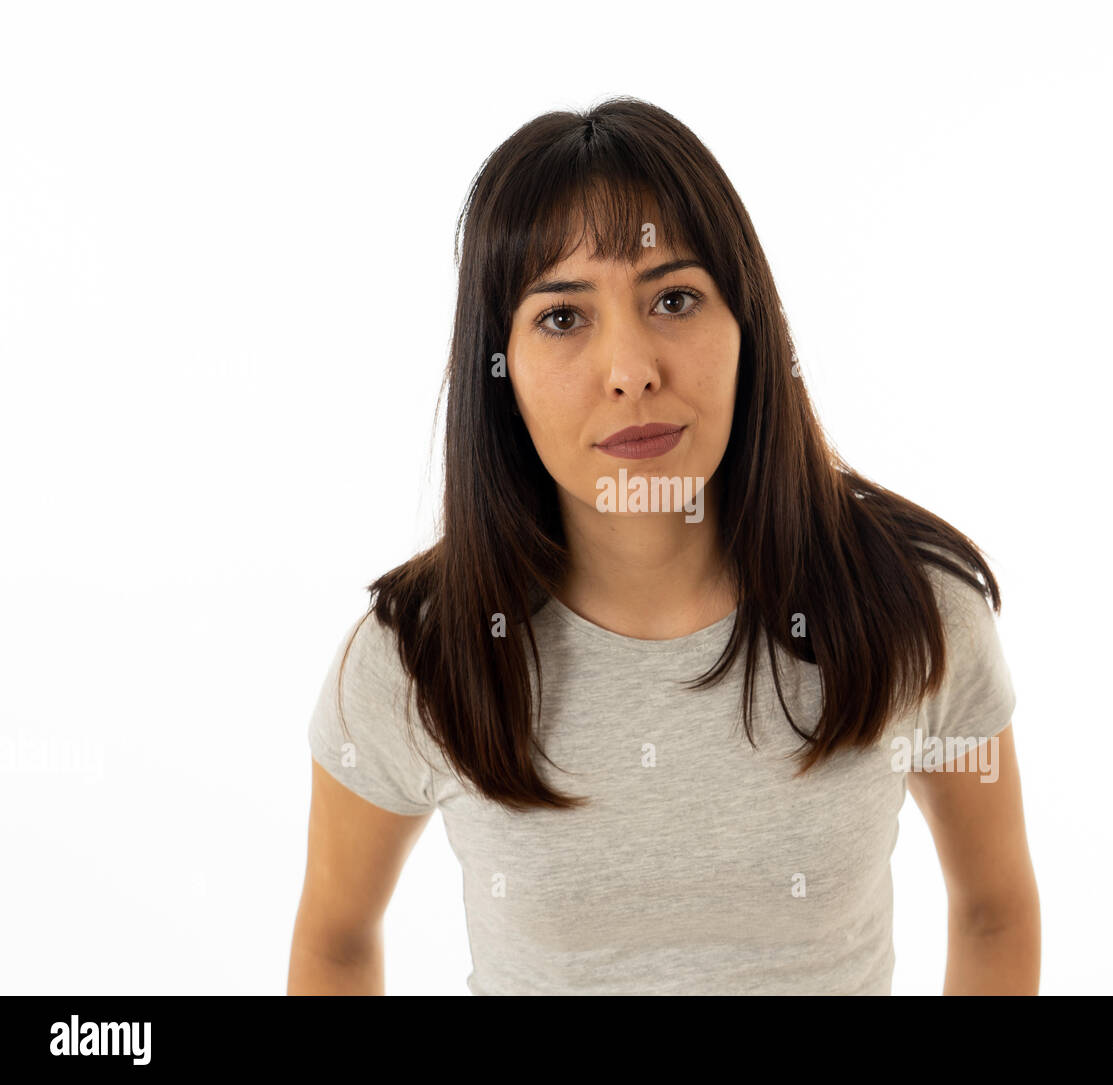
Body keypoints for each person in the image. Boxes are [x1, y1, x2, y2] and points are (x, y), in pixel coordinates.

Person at [287, 97, 1039, 996]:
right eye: (563, 318)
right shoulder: (419, 653)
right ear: (502, 368)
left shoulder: (911, 602)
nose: (631, 368)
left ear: (748, 326)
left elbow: (993, 906)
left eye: (674, 298)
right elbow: (336, 939)